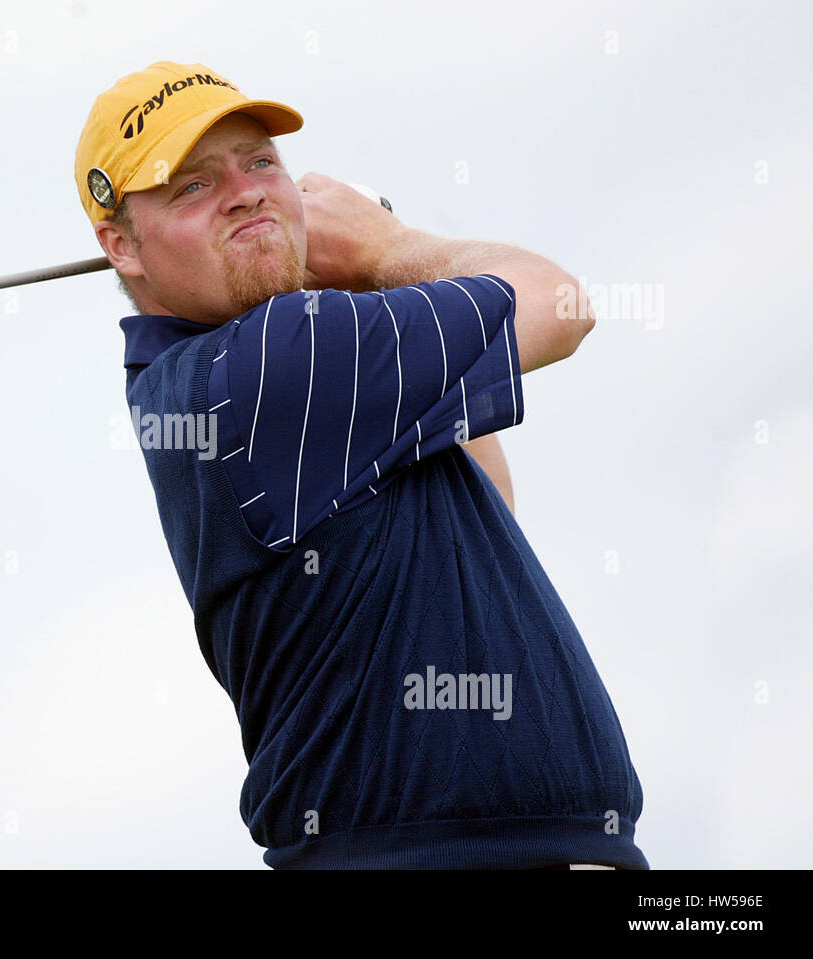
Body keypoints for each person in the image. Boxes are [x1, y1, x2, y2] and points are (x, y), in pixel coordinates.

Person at [75, 60, 648, 869]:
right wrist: (390, 247)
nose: (246, 191)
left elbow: (486, 492)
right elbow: (560, 304)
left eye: (261, 162)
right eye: (191, 186)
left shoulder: (260, 376)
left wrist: (354, 278)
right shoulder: (274, 363)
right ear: (120, 247)